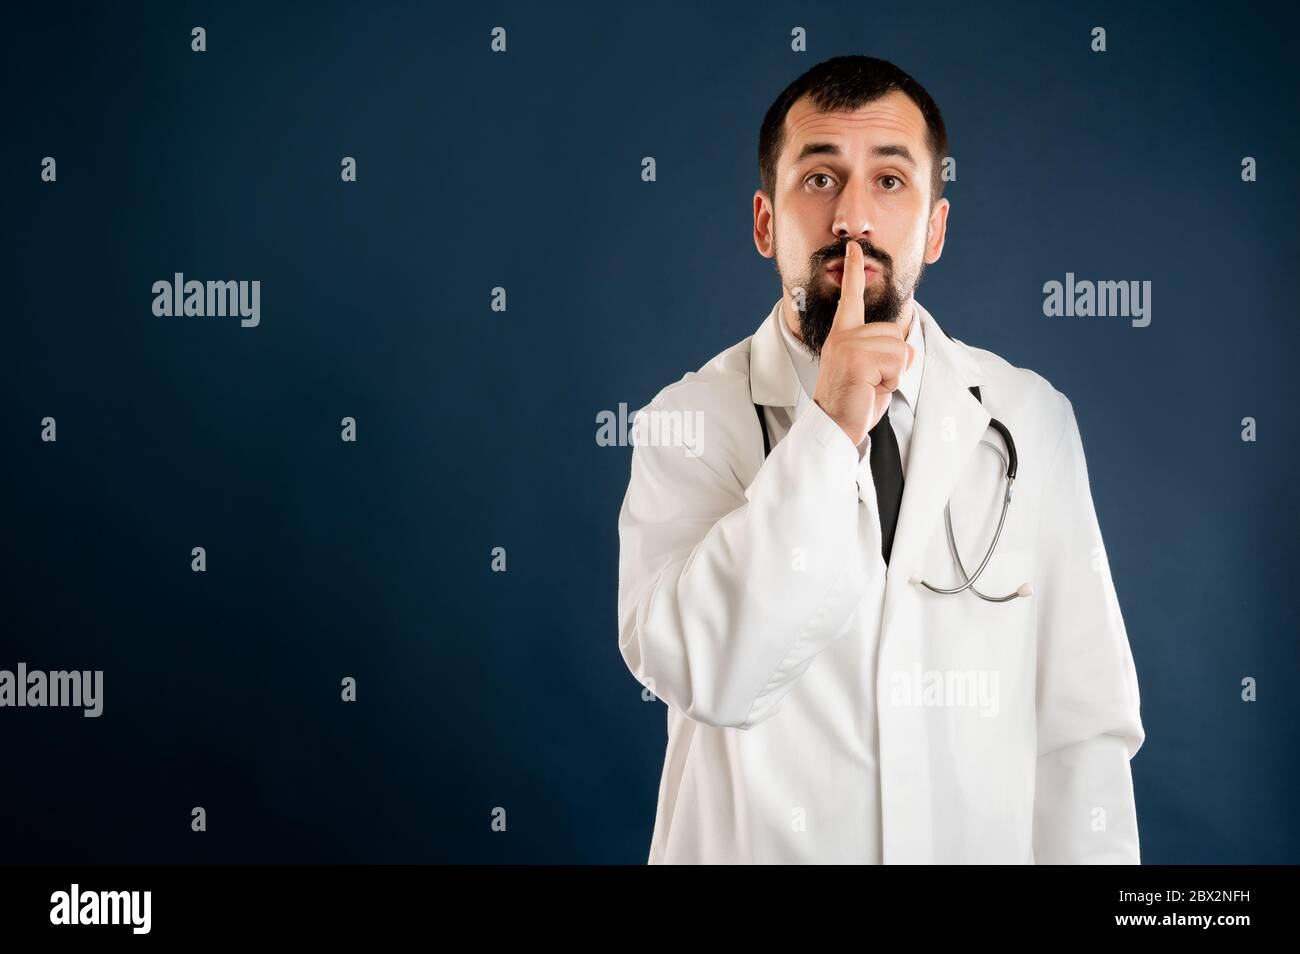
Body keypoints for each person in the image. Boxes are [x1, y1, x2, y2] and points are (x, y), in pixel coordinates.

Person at [615, 55, 1145, 864]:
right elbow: (709, 671)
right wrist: (827, 428)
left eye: (890, 182)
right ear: (766, 222)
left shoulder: (1030, 420)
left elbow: (1082, 737)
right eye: (820, 178)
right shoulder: (684, 424)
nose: (852, 218)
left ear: (935, 225)